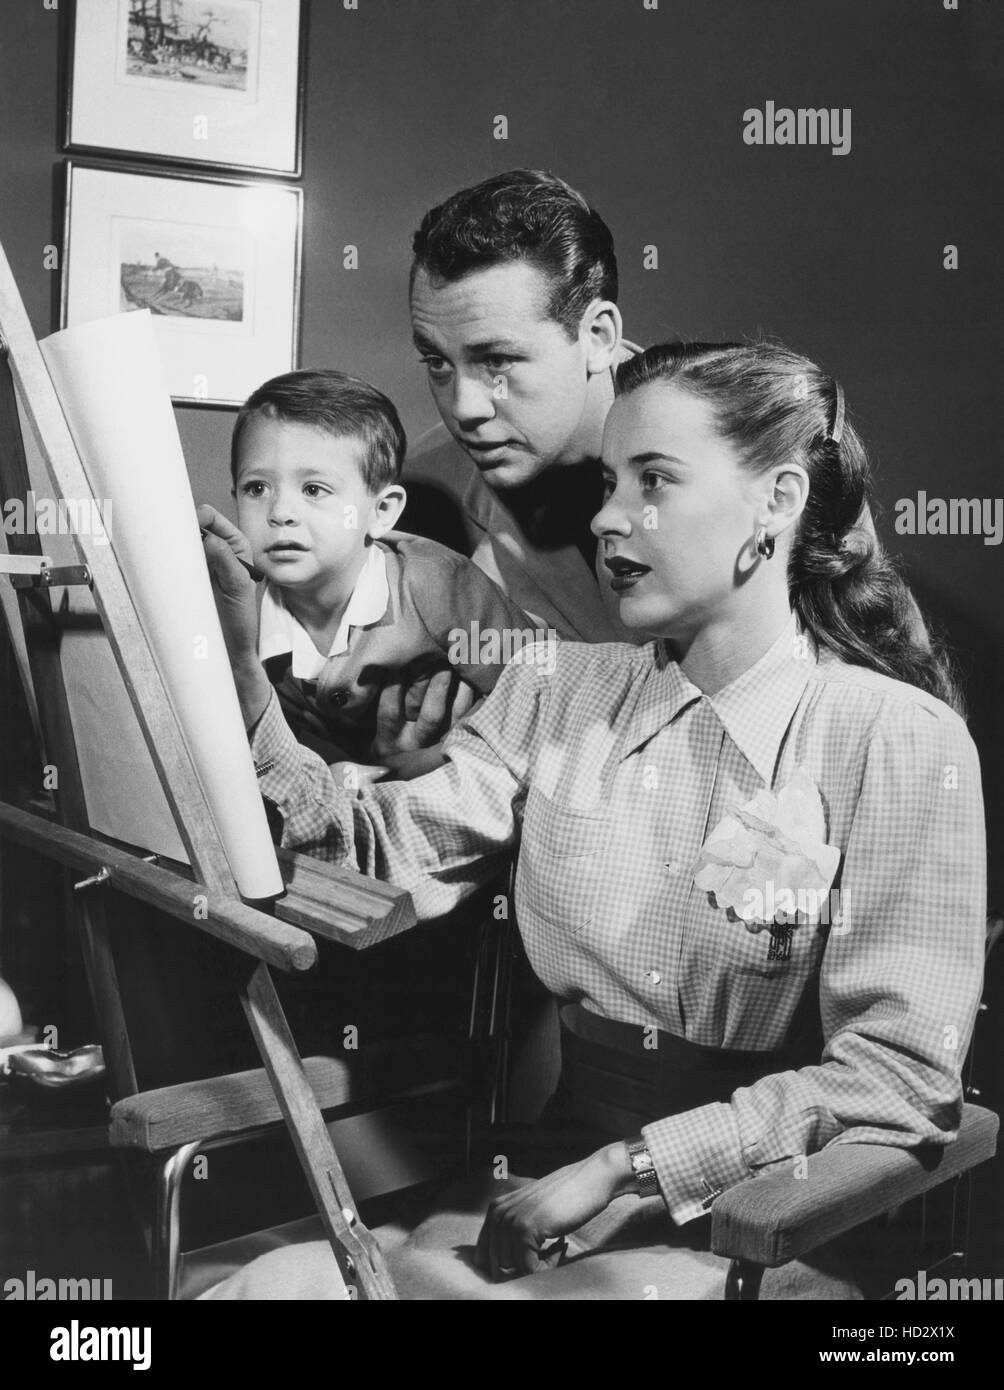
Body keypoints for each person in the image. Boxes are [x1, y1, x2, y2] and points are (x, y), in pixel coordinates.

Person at [203, 339, 985, 1301]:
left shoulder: (897, 738)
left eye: (652, 479)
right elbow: (365, 852)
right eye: (609, 480)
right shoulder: (560, 688)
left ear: (777, 502)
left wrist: (634, 1167)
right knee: (267, 1289)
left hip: (758, 1218)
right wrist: (242, 672)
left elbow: (899, 1078)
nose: (609, 517)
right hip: (539, 1179)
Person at [199, 368, 541, 779]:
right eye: (257, 489)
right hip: (343, 810)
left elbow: (535, 688)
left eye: (313, 490)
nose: (280, 513)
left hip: (466, 787)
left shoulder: (435, 585)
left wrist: (435, 758)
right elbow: (275, 744)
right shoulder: (240, 615)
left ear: (380, 512)